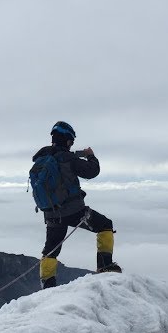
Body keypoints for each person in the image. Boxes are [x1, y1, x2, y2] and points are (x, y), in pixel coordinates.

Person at [34, 120, 122, 289]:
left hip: (51, 213)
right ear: (68, 140)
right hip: (73, 211)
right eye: (71, 140)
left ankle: (47, 285)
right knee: (105, 225)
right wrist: (91, 156)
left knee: (51, 249)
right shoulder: (68, 158)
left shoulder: (42, 159)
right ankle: (104, 266)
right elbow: (92, 171)